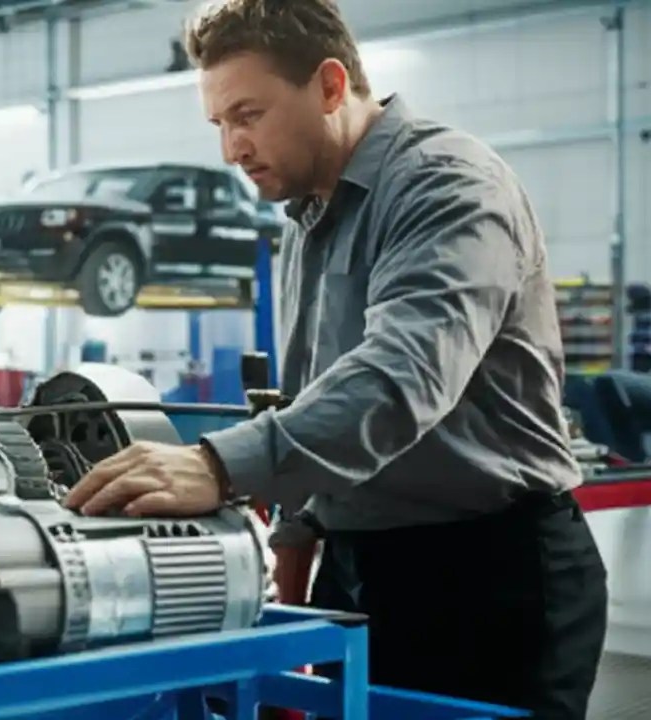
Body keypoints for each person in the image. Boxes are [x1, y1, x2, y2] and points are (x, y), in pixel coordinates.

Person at [63, 1, 608, 718]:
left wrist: (216, 466)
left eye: (248, 115)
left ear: (327, 85)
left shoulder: (448, 185)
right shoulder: (310, 215)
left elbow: (402, 377)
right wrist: (287, 580)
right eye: (220, 124)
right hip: (362, 571)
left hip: (493, 577)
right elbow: (308, 399)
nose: (232, 148)